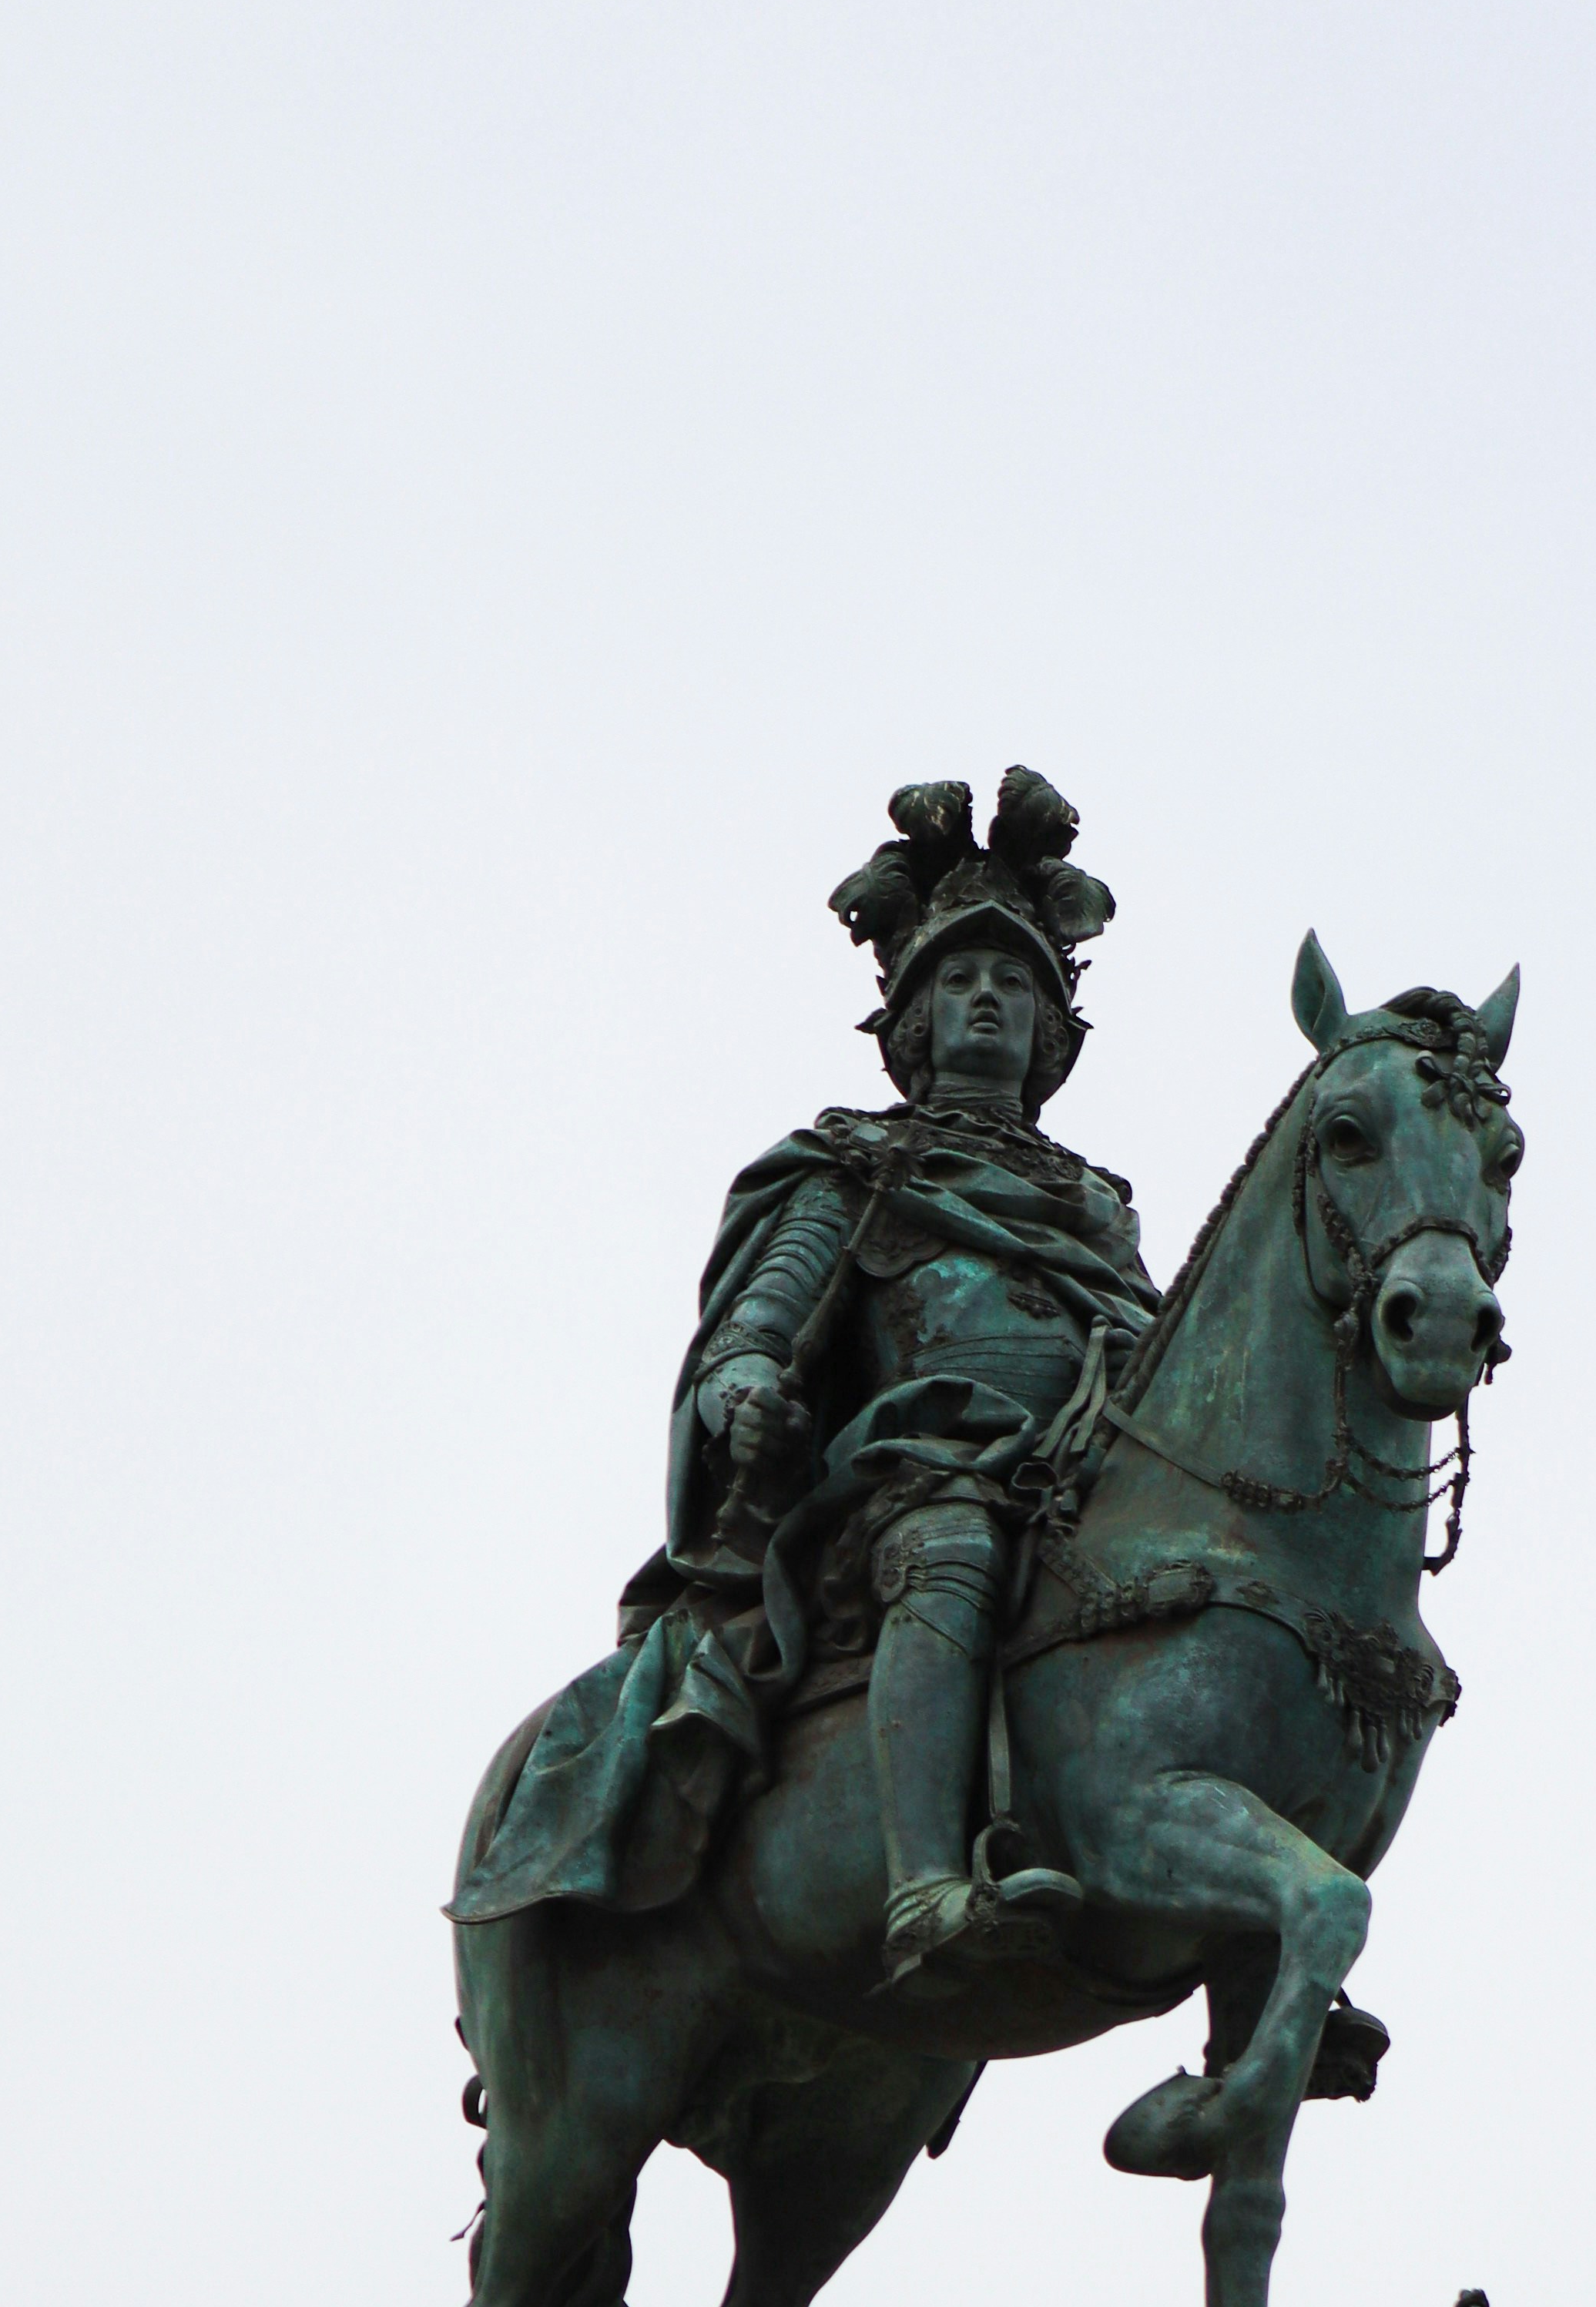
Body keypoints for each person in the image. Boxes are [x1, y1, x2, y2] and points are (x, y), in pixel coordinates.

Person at [457, 768, 1156, 1976]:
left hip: (1077, 1478)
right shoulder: (847, 1169)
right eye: (959, 981)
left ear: (1049, 1033)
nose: (985, 999)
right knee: (950, 1545)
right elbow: (753, 1330)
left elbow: (1155, 1351)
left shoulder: (1097, 1208)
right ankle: (927, 1888)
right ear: (912, 1019)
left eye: (1011, 984)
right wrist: (745, 1401)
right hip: (908, 1477)